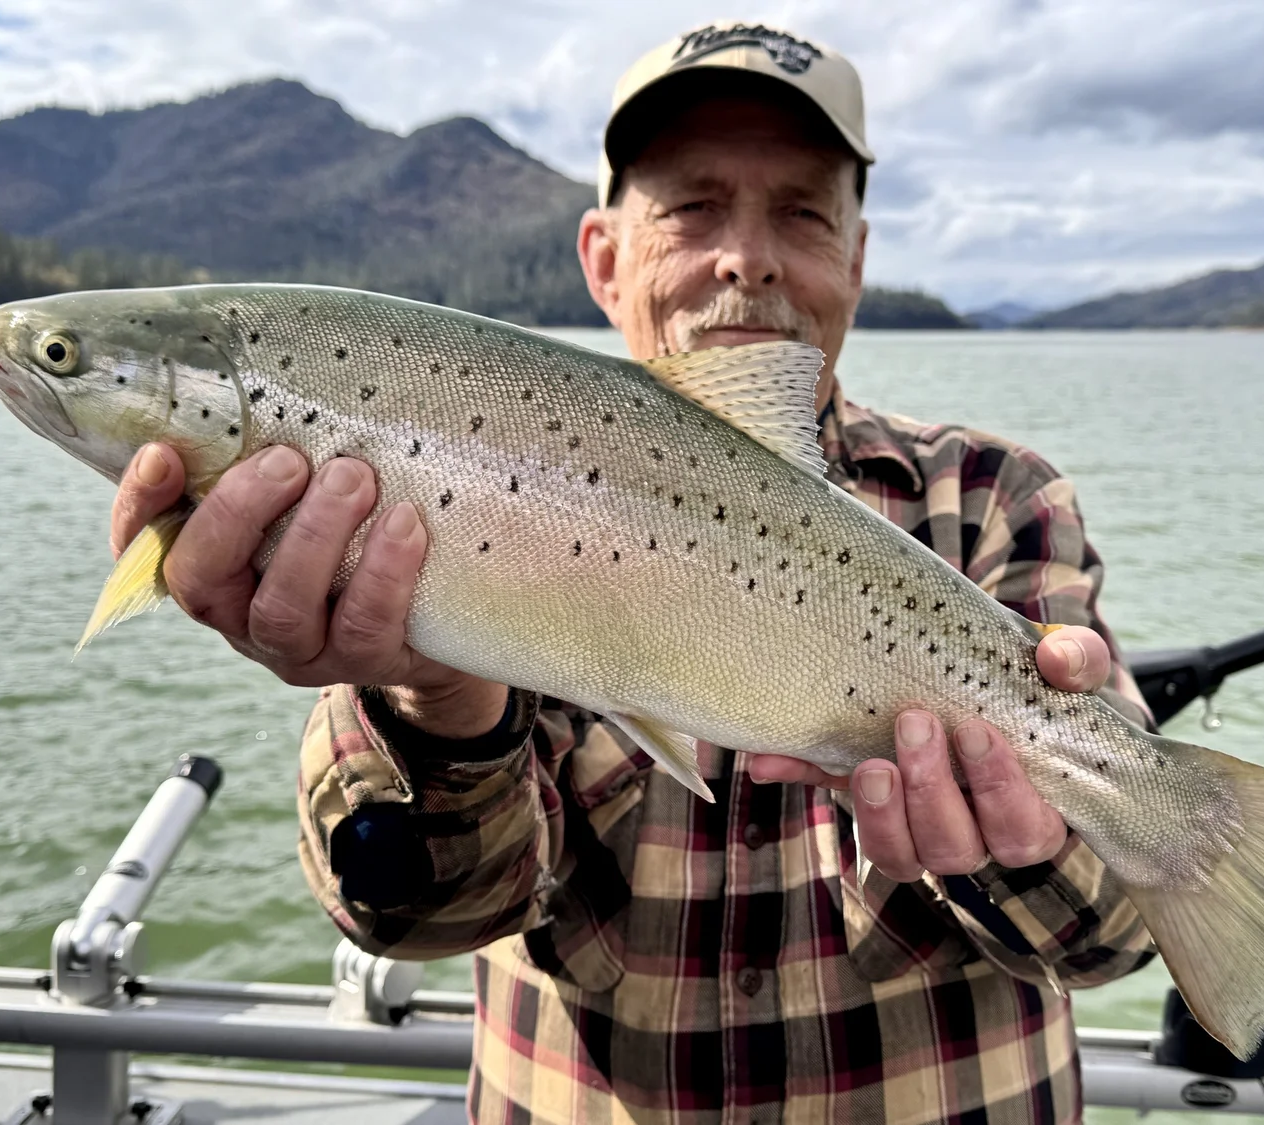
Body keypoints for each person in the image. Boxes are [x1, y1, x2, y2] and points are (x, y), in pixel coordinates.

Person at [110, 22, 1156, 1125]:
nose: (745, 255)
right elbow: (406, 920)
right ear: (604, 259)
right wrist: (438, 697)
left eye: (800, 211)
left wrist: (1032, 840)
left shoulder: (993, 499)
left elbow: (1114, 936)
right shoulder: (452, 466)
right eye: (692, 206)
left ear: (856, 260)